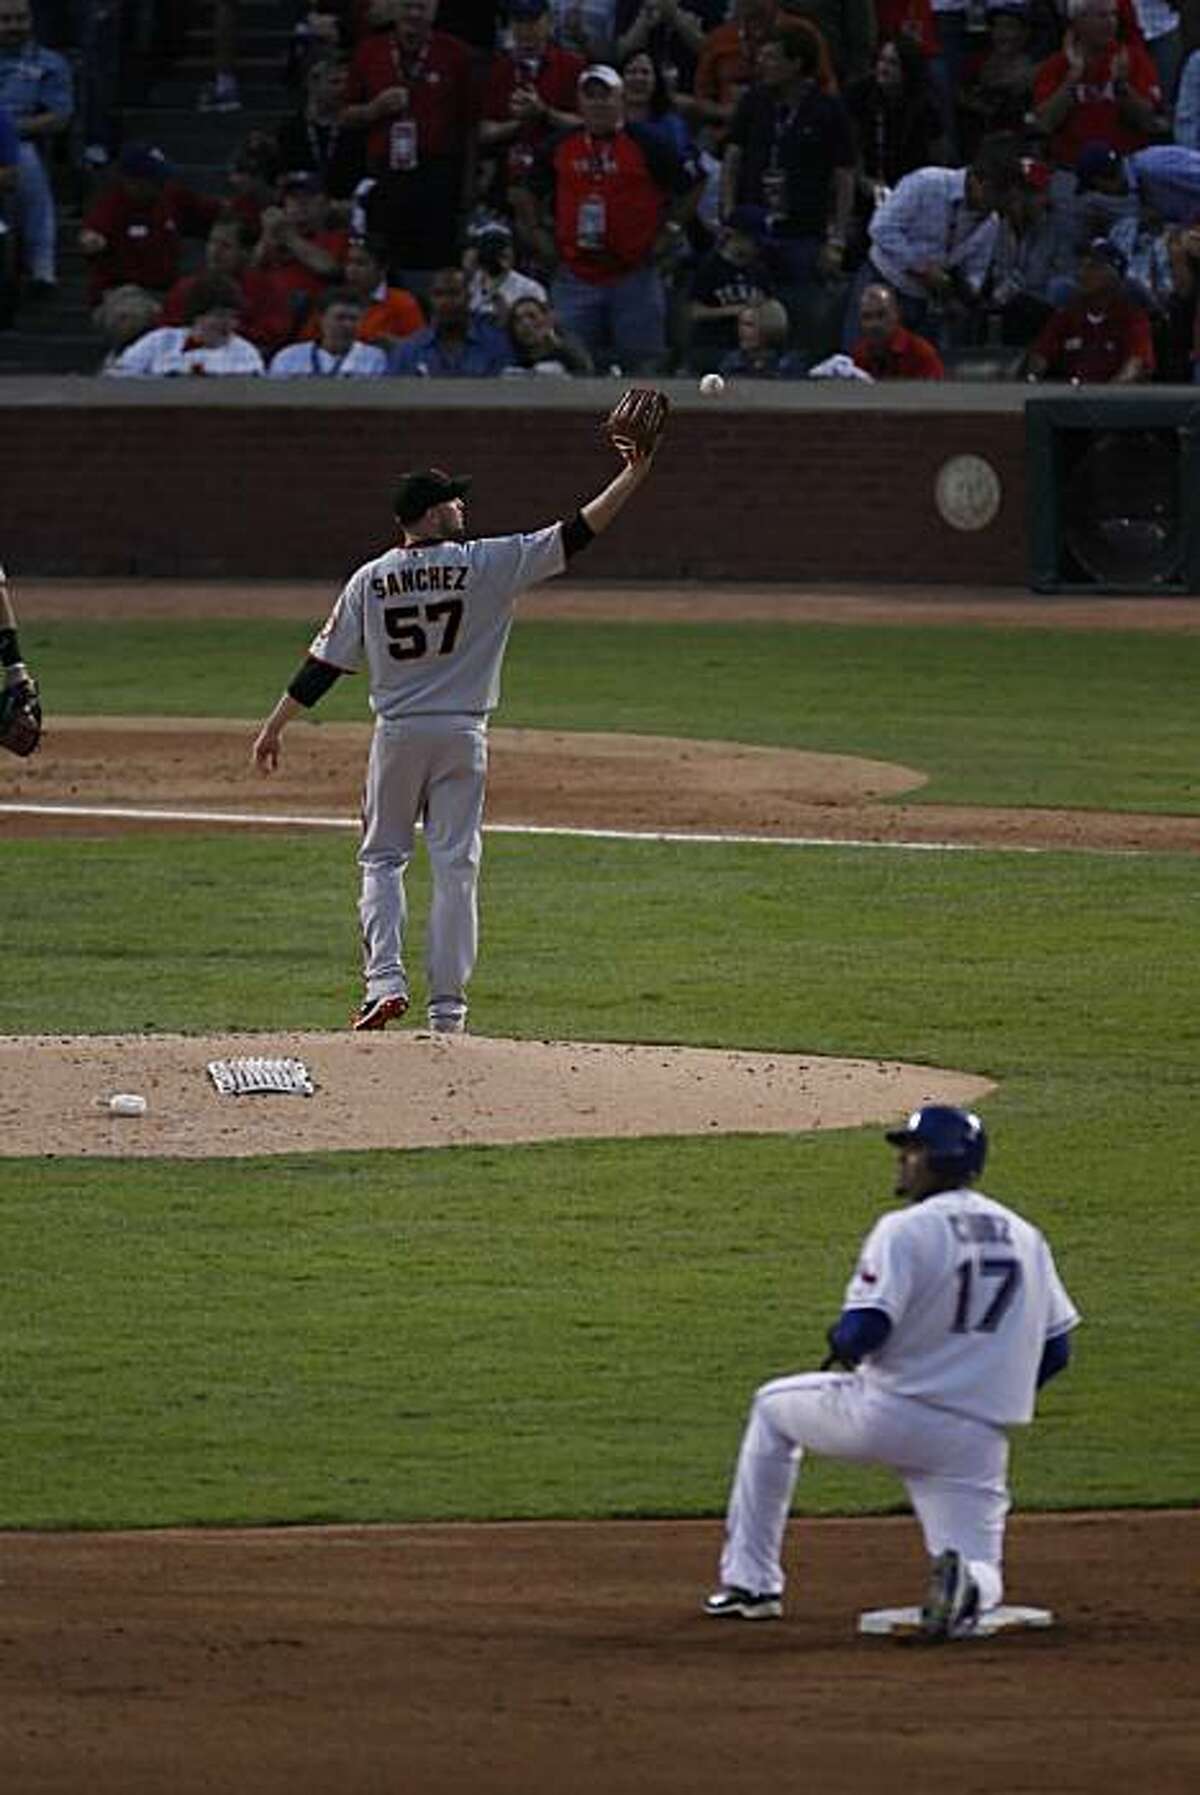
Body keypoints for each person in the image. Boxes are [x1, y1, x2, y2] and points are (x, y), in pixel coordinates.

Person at [250, 431, 661, 1036]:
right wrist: (633, 474)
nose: (463, 507)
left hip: (396, 737)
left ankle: (384, 982)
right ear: (429, 512)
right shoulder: (487, 563)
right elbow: (579, 530)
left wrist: (273, 727)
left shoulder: (370, 578)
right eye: (453, 501)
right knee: (455, 867)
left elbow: (324, 666)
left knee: (383, 859)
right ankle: (449, 1013)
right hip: (463, 736)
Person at [704, 1105, 1080, 1638]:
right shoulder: (1026, 1237)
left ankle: (752, 1585)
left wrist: (841, 1342)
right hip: (975, 1437)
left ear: (944, 1159)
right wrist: (991, 1391)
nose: (903, 1160)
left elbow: (865, 1329)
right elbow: (1057, 1349)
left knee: (773, 1408)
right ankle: (968, 1585)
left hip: (886, 1414)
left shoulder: (905, 1230)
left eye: (914, 1150)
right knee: (979, 1565)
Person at [536, 62, 697, 373]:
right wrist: (537, 231)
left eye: (605, 96)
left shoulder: (648, 143)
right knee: (568, 365)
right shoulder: (560, 145)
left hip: (634, 275)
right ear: (580, 102)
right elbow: (525, 189)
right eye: (590, 96)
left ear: (621, 100)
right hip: (576, 277)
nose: (598, 103)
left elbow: (692, 184)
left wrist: (671, 229)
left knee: (644, 368)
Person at [720, 28, 856, 355]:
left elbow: (844, 176)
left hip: (803, 233)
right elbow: (733, 158)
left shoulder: (827, 110)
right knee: (750, 314)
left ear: (796, 63)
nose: (761, 63)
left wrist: (836, 238)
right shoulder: (754, 101)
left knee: (802, 319)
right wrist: (727, 212)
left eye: (771, 57)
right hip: (752, 230)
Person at [341, 0, 478, 282]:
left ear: (436, 10)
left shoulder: (456, 53)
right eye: (407, 6)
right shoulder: (370, 51)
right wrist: (374, 109)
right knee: (385, 257)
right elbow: (344, 114)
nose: (414, 14)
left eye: (422, 7)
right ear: (393, 8)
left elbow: (471, 124)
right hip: (386, 170)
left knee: (435, 260)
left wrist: (469, 182)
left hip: (438, 172)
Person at [1033, 0, 1167, 175]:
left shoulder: (1133, 60)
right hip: (1070, 169)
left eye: (1113, 15)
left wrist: (1121, 86)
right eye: (1102, 16)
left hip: (1124, 169)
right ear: (1078, 22)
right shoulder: (1055, 66)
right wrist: (1071, 81)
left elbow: (1150, 123)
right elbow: (1045, 124)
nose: (1111, 22)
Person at [78, 142, 216, 308]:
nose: (161, 185)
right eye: (155, 180)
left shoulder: (172, 195)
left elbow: (211, 211)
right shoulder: (109, 204)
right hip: (121, 292)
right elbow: (92, 233)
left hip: (168, 289)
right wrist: (91, 240)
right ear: (132, 182)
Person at [0, 0, 73, 298]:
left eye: (21, 18)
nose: (14, 26)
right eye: (5, 20)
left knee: (25, 161)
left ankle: (42, 269)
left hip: (20, 141)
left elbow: (59, 116)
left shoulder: (51, 63)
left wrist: (7, 129)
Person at [479, 0, 585, 197]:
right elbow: (482, 130)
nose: (526, 29)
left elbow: (586, 124)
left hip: (560, 173)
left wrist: (544, 112)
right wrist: (517, 124)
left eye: (533, 21)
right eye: (519, 22)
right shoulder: (499, 68)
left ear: (549, 22)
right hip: (508, 173)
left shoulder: (572, 66)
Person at [1024, 232, 1155, 376]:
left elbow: (1136, 365)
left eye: (1092, 267)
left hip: (1111, 395)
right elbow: (1041, 355)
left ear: (1114, 275)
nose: (1081, 273)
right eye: (1080, 266)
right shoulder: (1067, 315)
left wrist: (1109, 394)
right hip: (1067, 394)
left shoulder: (1132, 318)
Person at [102, 273, 266, 376]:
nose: (228, 324)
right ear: (198, 316)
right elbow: (118, 376)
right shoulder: (160, 341)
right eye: (219, 315)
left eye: (233, 317)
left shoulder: (245, 353)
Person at [685, 201, 778, 370]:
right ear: (735, 235)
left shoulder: (759, 270)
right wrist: (736, 310)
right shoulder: (710, 267)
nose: (758, 247)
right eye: (753, 241)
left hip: (750, 348)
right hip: (713, 346)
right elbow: (694, 312)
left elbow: (770, 307)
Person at [389, 261, 511, 373]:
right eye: (438, 294)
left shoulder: (495, 345)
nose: (445, 302)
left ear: (469, 298)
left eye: (454, 293)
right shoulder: (409, 351)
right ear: (430, 299)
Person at [274, 52, 366, 199]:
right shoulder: (290, 131)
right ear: (312, 83)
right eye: (335, 82)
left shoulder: (356, 129)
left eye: (346, 83)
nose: (343, 89)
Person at [268, 285, 388, 374]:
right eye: (340, 318)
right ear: (321, 319)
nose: (347, 325)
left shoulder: (374, 358)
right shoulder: (289, 357)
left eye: (353, 319)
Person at [851, 279, 946, 373]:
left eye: (882, 315)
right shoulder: (858, 355)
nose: (874, 324)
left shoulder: (921, 354)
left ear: (896, 314)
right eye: (867, 317)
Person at [503, 290, 595, 370]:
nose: (526, 323)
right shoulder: (508, 357)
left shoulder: (570, 350)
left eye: (532, 316)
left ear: (548, 319)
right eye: (518, 319)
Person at [718, 293, 808, 372]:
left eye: (749, 325)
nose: (741, 330)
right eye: (740, 324)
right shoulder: (732, 362)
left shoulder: (788, 364)